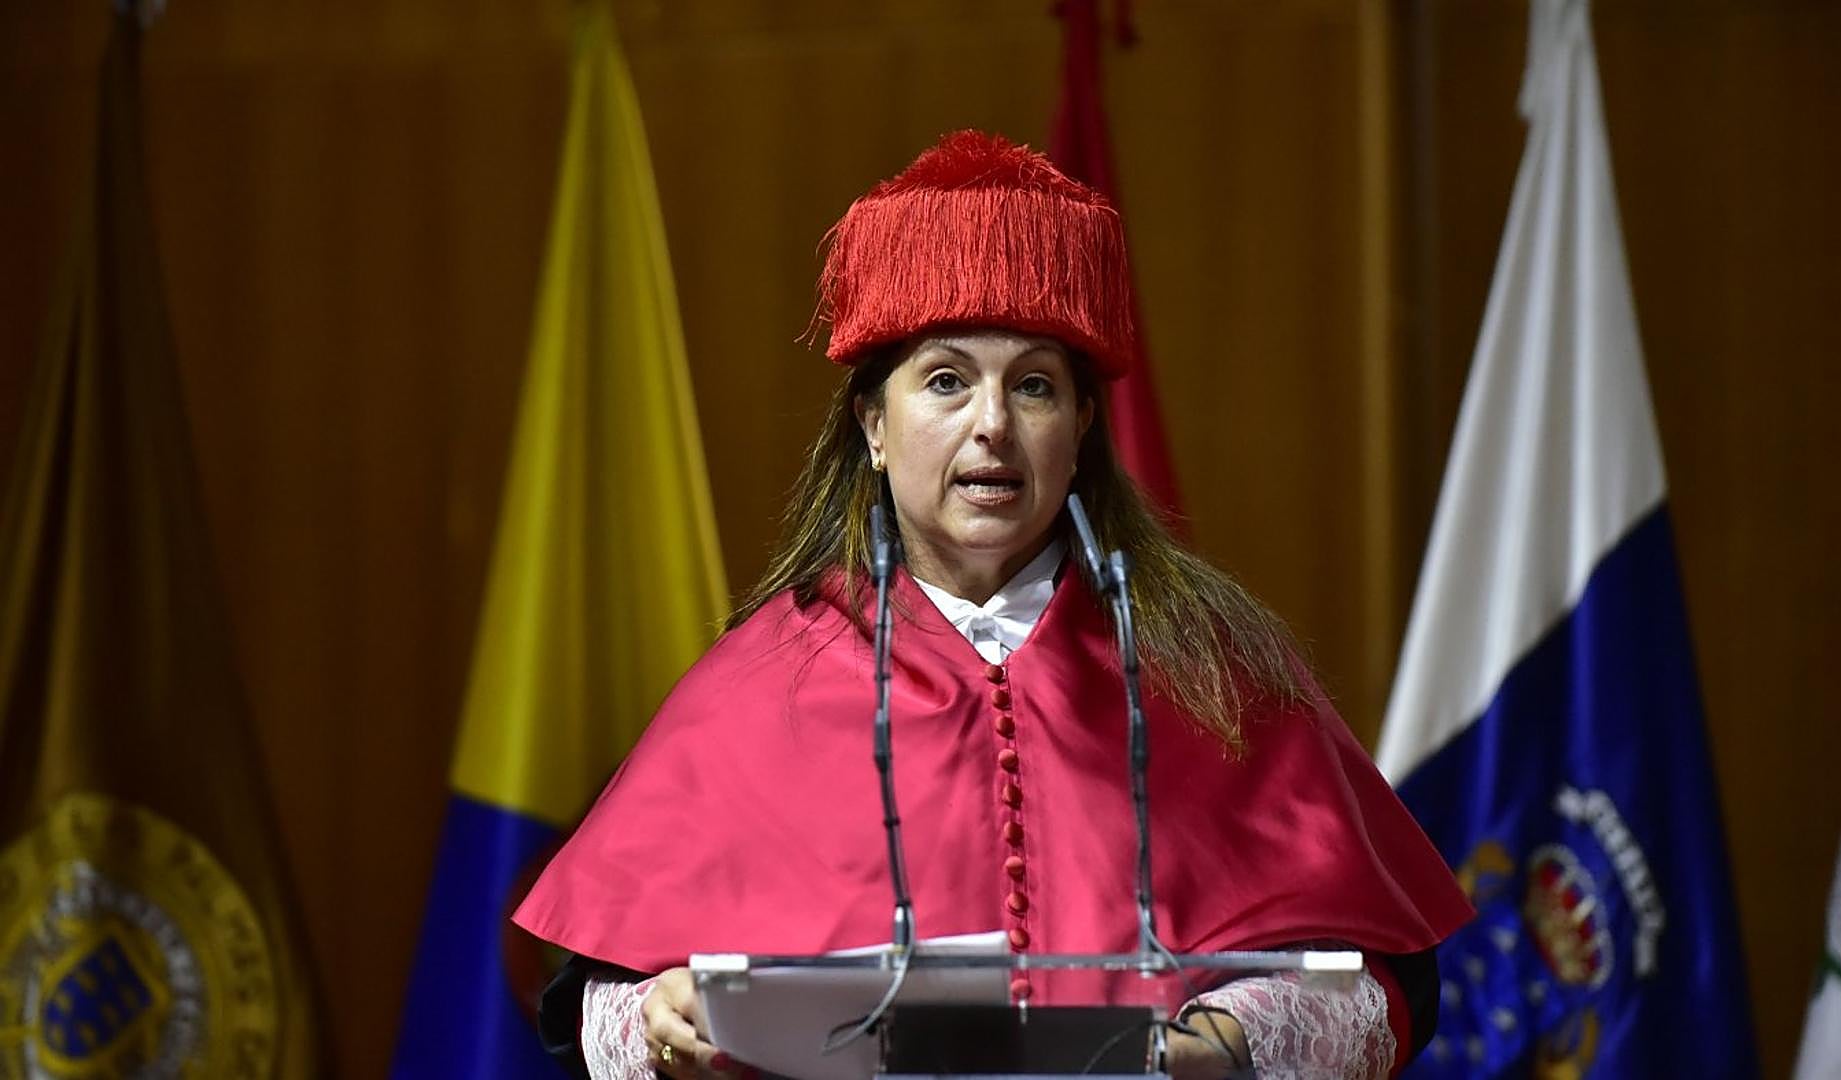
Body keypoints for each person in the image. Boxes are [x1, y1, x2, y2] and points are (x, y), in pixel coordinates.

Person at [513, 130, 1473, 1079]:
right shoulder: (760, 682)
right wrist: (659, 1019)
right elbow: (604, 999)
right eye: (944, 380)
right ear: (873, 425)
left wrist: (1225, 1044)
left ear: (1083, 424)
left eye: (1035, 386)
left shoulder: (1211, 668)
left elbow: (1383, 977)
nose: (992, 426)